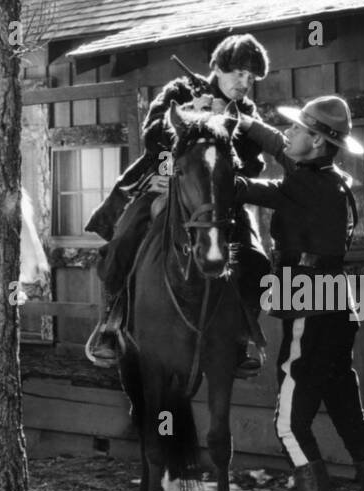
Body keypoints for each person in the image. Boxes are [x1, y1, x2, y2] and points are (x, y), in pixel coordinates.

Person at [234, 96, 364, 491]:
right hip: (334, 297)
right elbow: (278, 145)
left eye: (296, 130)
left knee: (290, 424)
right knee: (350, 417)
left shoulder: (303, 187)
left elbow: (235, 186)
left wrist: (207, 150)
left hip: (307, 298)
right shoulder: (327, 179)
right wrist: (240, 119)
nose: (286, 134)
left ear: (316, 142)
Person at [85, 34, 272, 378]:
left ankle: (242, 333)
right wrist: (192, 113)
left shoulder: (244, 111)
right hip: (165, 179)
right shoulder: (179, 90)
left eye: (251, 78)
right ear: (218, 68)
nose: (244, 84)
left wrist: (229, 129)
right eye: (239, 74)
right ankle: (111, 322)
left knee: (257, 259)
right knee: (124, 240)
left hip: (217, 198)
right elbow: (152, 137)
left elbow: (253, 164)